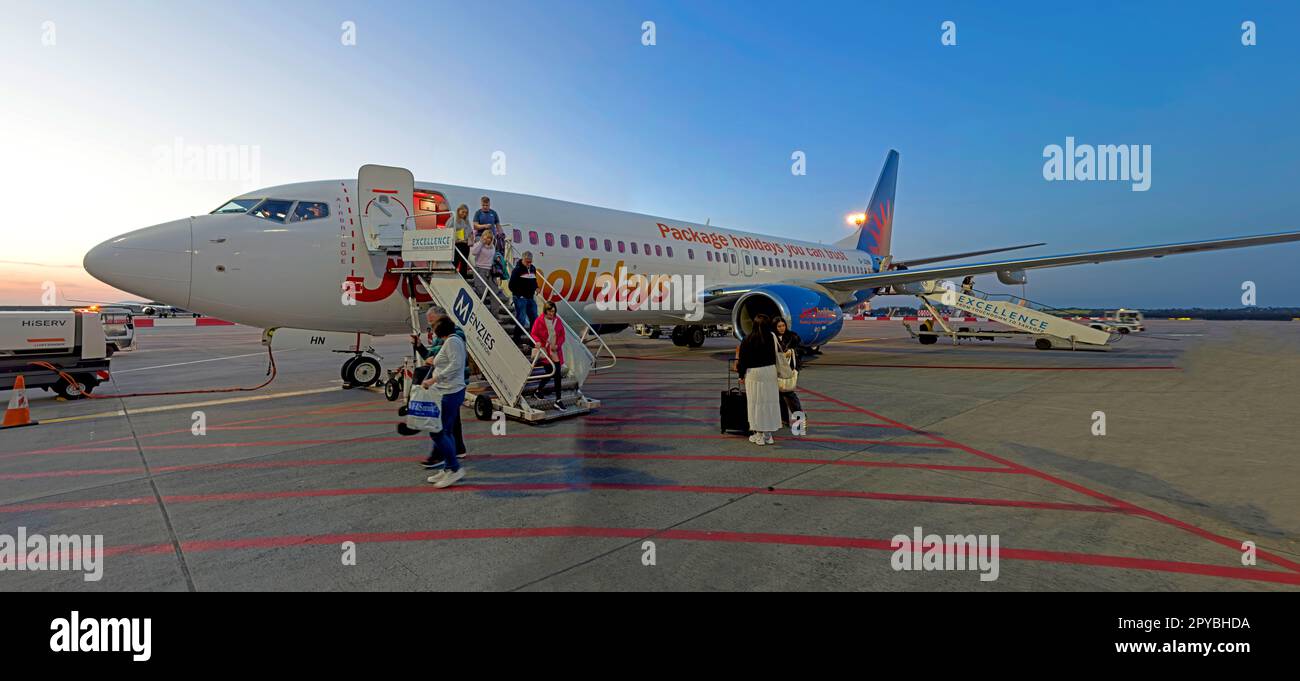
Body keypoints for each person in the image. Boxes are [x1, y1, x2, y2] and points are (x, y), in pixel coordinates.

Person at [412, 306, 468, 466]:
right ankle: (455, 451)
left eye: (433, 322)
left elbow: (451, 362)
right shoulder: (445, 336)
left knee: (441, 427)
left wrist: (432, 379)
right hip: (447, 385)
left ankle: (445, 461)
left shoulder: (454, 335)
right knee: (449, 422)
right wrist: (419, 346)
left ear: (441, 320)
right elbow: (431, 358)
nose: (431, 327)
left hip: (451, 384)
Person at [423, 317, 468, 488]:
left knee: (438, 431)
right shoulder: (451, 341)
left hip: (451, 391)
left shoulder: (452, 342)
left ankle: (454, 469)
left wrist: (434, 379)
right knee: (445, 430)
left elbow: (456, 365)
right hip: (448, 390)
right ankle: (448, 467)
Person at [735, 314, 781, 445]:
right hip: (770, 371)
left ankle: (758, 434)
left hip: (753, 373)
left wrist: (741, 375)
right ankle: (769, 434)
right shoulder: (772, 337)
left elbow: (742, 361)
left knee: (756, 403)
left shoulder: (747, 339)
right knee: (770, 401)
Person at [530, 301, 567, 409]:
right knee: (550, 373)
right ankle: (539, 391)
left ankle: (558, 400)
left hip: (555, 352)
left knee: (556, 375)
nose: (552, 314)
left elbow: (562, 336)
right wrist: (537, 341)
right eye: (550, 312)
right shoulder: (539, 320)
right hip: (546, 353)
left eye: (553, 312)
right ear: (545, 311)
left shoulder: (557, 321)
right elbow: (533, 333)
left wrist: (558, 345)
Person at [772, 316, 804, 432]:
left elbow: (802, 350)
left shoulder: (792, 336)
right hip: (777, 370)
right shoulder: (772, 337)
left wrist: (791, 352)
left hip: (789, 369)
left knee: (789, 394)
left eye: (783, 326)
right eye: (779, 326)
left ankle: (800, 419)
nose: (782, 328)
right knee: (780, 395)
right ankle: (783, 419)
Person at [509, 251, 540, 332]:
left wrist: (536, 287)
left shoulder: (532, 268)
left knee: (534, 317)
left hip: (530, 297)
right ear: (523, 259)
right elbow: (511, 285)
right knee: (521, 319)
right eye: (527, 262)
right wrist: (519, 295)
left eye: (530, 261)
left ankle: (532, 339)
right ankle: (517, 339)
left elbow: (534, 280)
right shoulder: (517, 270)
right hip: (520, 298)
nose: (529, 263)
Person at [449, 204, 473, 277]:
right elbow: (448, 231)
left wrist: (470, 238)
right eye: (463, 212)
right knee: (455, 262)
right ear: (458, 210)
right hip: (456, 245)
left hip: (465, 244)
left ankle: (463, 278)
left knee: (464, 263)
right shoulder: (453, 219)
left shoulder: (467, 221)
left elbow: (470, 232)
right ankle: (452, 277)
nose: (464, 214)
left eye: (466, 213)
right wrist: (456, 239)